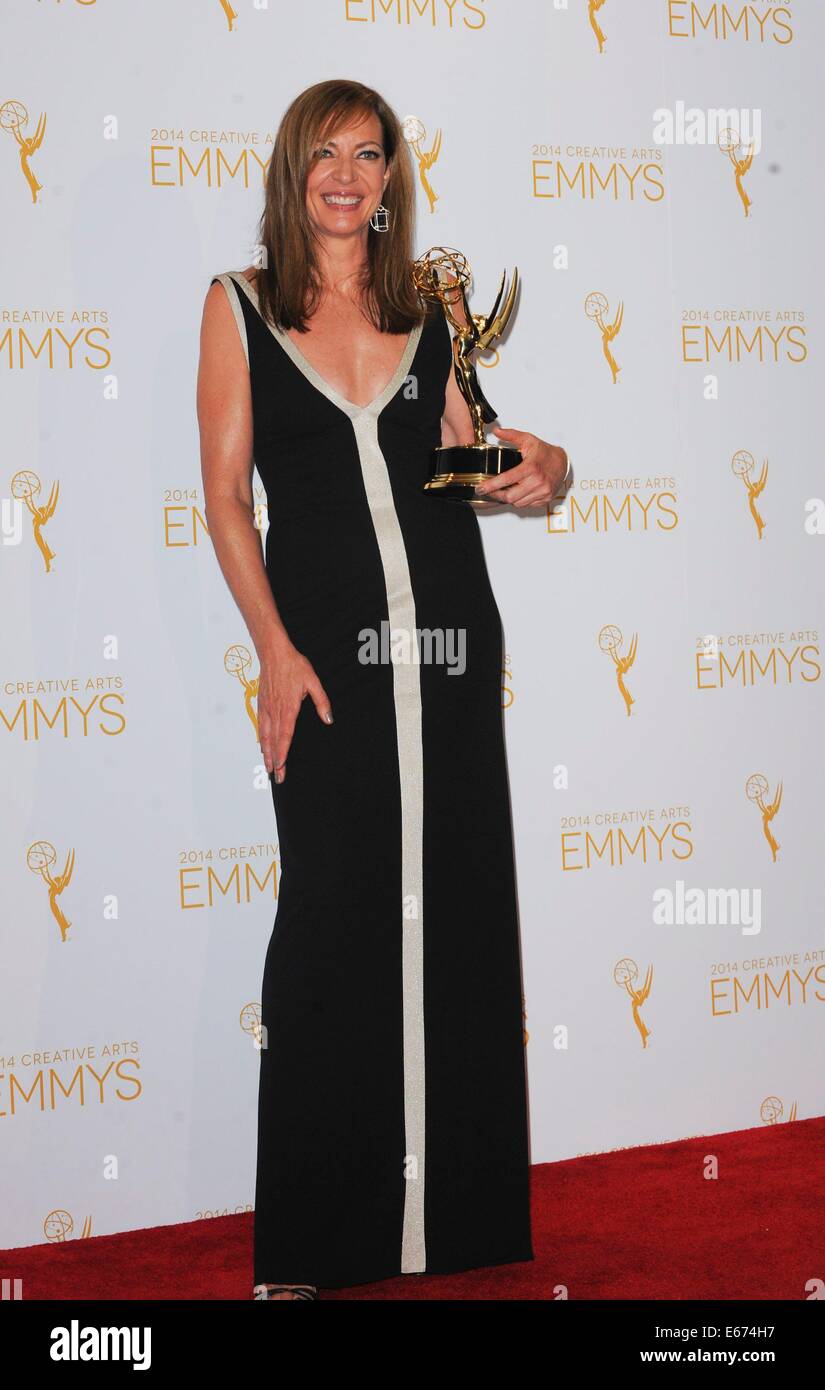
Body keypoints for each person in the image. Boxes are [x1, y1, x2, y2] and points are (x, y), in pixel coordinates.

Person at [196, 79, 568, 1301]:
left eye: (371, 154)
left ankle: (446, 1222)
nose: (348, 175)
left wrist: (543, 470)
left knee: (457, 921)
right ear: (293, 168)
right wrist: (274, 649)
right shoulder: (239, 307)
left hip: (452, 655)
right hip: (329, 673)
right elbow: (226, 501)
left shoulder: (431, 317)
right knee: (325, 935)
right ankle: (306, 1246)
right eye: (327, 152)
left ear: (393, 176)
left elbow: (475, 460)